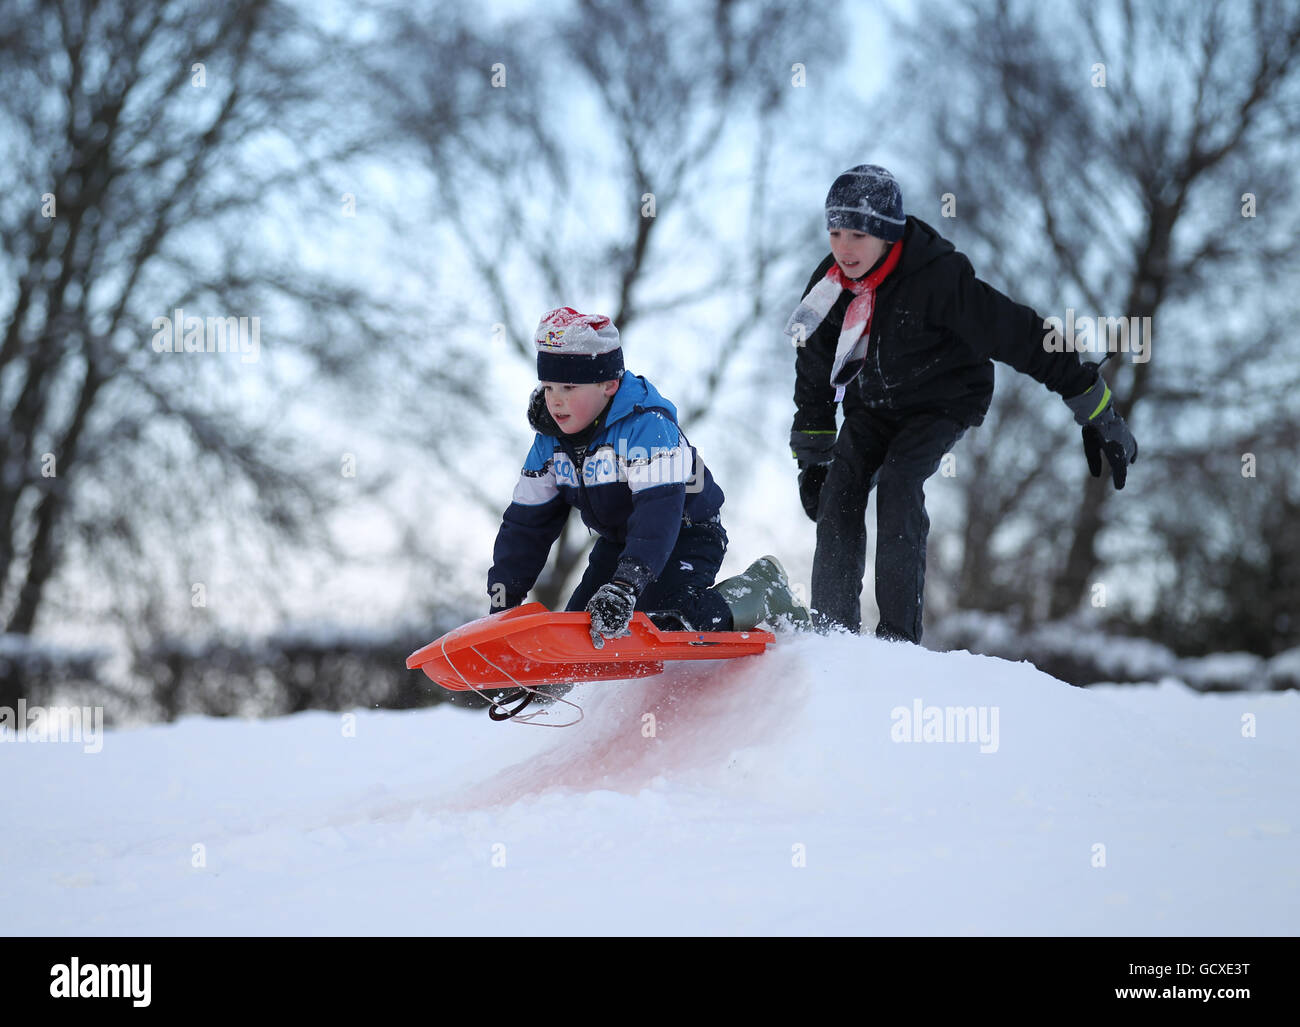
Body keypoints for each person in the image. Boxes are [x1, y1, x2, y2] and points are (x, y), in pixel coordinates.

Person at [786, 164, 1137, 644]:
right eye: (835, 232)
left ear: (887, 234)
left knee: (899, 481)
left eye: (858, 234)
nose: (844, 248)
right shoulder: (827, 291)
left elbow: (1022, 336)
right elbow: (813, 377)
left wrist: (1097, 412)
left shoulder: (937, 280)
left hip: (942, 400)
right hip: (871, 407)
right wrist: (814, 462)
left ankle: (896, 642)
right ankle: (832, 636)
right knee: (839, 497)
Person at [489, 306, 808, 647]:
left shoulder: (648, 429)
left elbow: (658, 515)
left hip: (687, 531)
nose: (556, 401)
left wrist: (625, 586)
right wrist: (502, 604)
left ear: (609, 384)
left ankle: (762, 590)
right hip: (620, 543)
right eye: (549, 387)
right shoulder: (549, 444)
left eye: (569, 386)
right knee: (581, 633)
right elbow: (526, 526)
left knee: (665, 625)